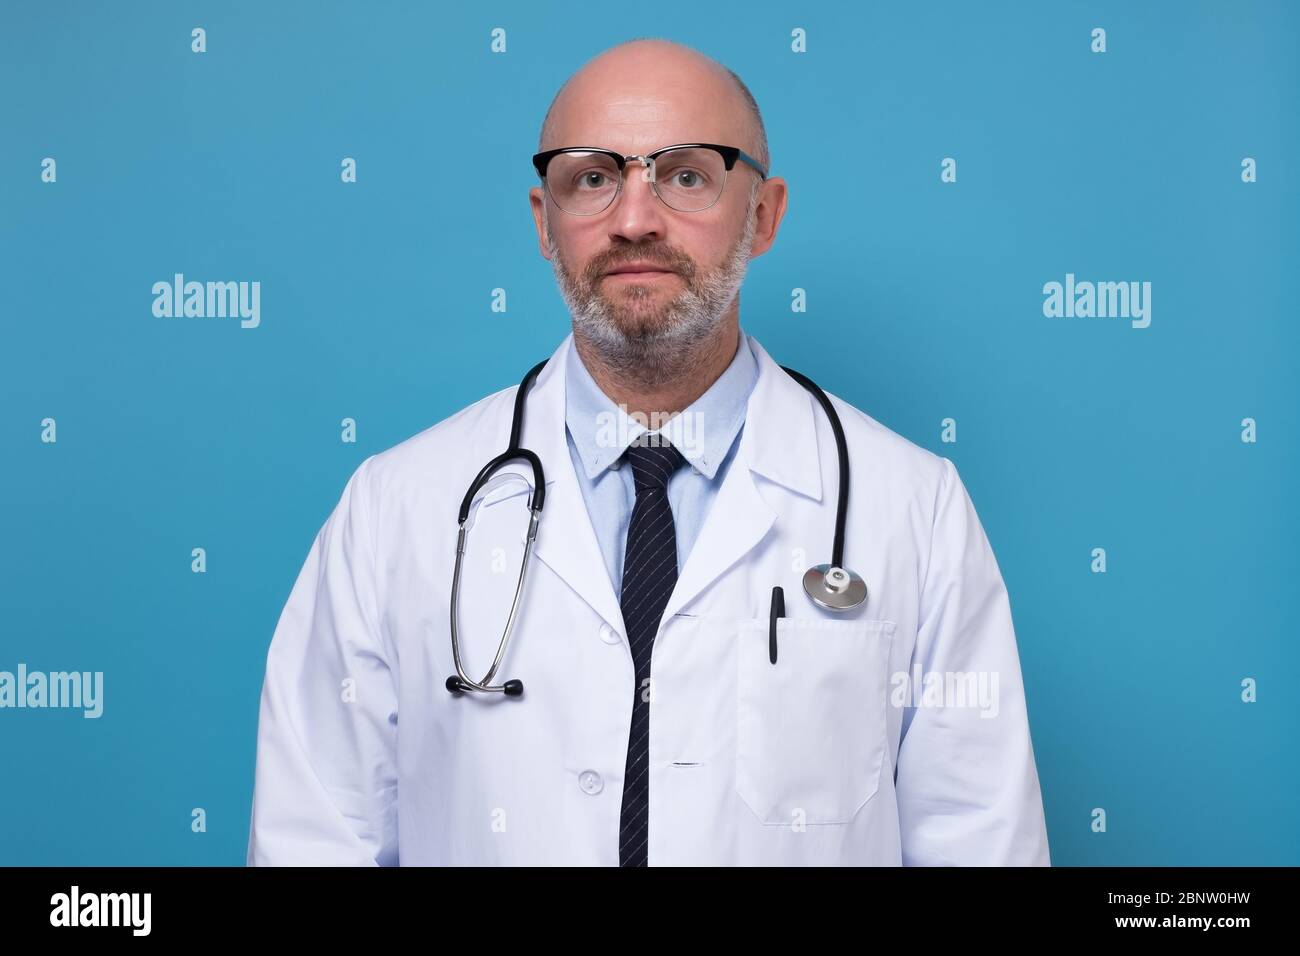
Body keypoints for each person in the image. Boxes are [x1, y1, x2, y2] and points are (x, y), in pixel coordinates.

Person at [246, 37, 1050, 866]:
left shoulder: (913, 511)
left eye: (687, 175)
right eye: (592, 178)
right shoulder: (394, 510)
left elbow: (981, 844)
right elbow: (315, 840)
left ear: (764, 215)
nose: (634, 220)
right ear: (544, 224)